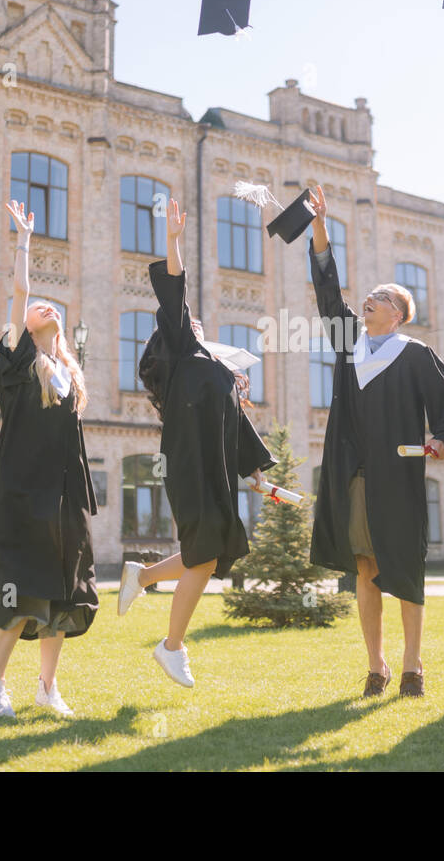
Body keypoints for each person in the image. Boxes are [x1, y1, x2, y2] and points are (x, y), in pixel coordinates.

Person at [305, 185, 444, 698]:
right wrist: (319, 227)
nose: (367, 301)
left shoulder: (416, 355)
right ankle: (375, 665)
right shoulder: (350, 343)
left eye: (378, 299)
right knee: (366, 567)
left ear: (397, 315)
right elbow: (329, 293)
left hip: (397, 475)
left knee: (404, 564)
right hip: (354, 471)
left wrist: (443, 441)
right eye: (368, 297)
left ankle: (412, 663)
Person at [117, 199, 274, 688]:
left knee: (215, 546)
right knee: (205, 554)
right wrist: (172, 242)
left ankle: (140, 578)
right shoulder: (184, 352)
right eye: (187, 324)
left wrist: (257, 471)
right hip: (190, 465)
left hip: (217, 469)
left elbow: (236, 423)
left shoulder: (216, 370)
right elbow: (174, 296)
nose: (196, 324)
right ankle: (172, 647)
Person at [0, 199, 99, 719]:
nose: (47, 305)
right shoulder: (22, 363)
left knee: (64, 589)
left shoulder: (67, 373)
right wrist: (24, 239)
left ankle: (47, 688)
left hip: (64, 495)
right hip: (25, 490)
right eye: (37, 305)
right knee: (24, 584)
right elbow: (20, 289)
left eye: (54, 305)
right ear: (20, 325)